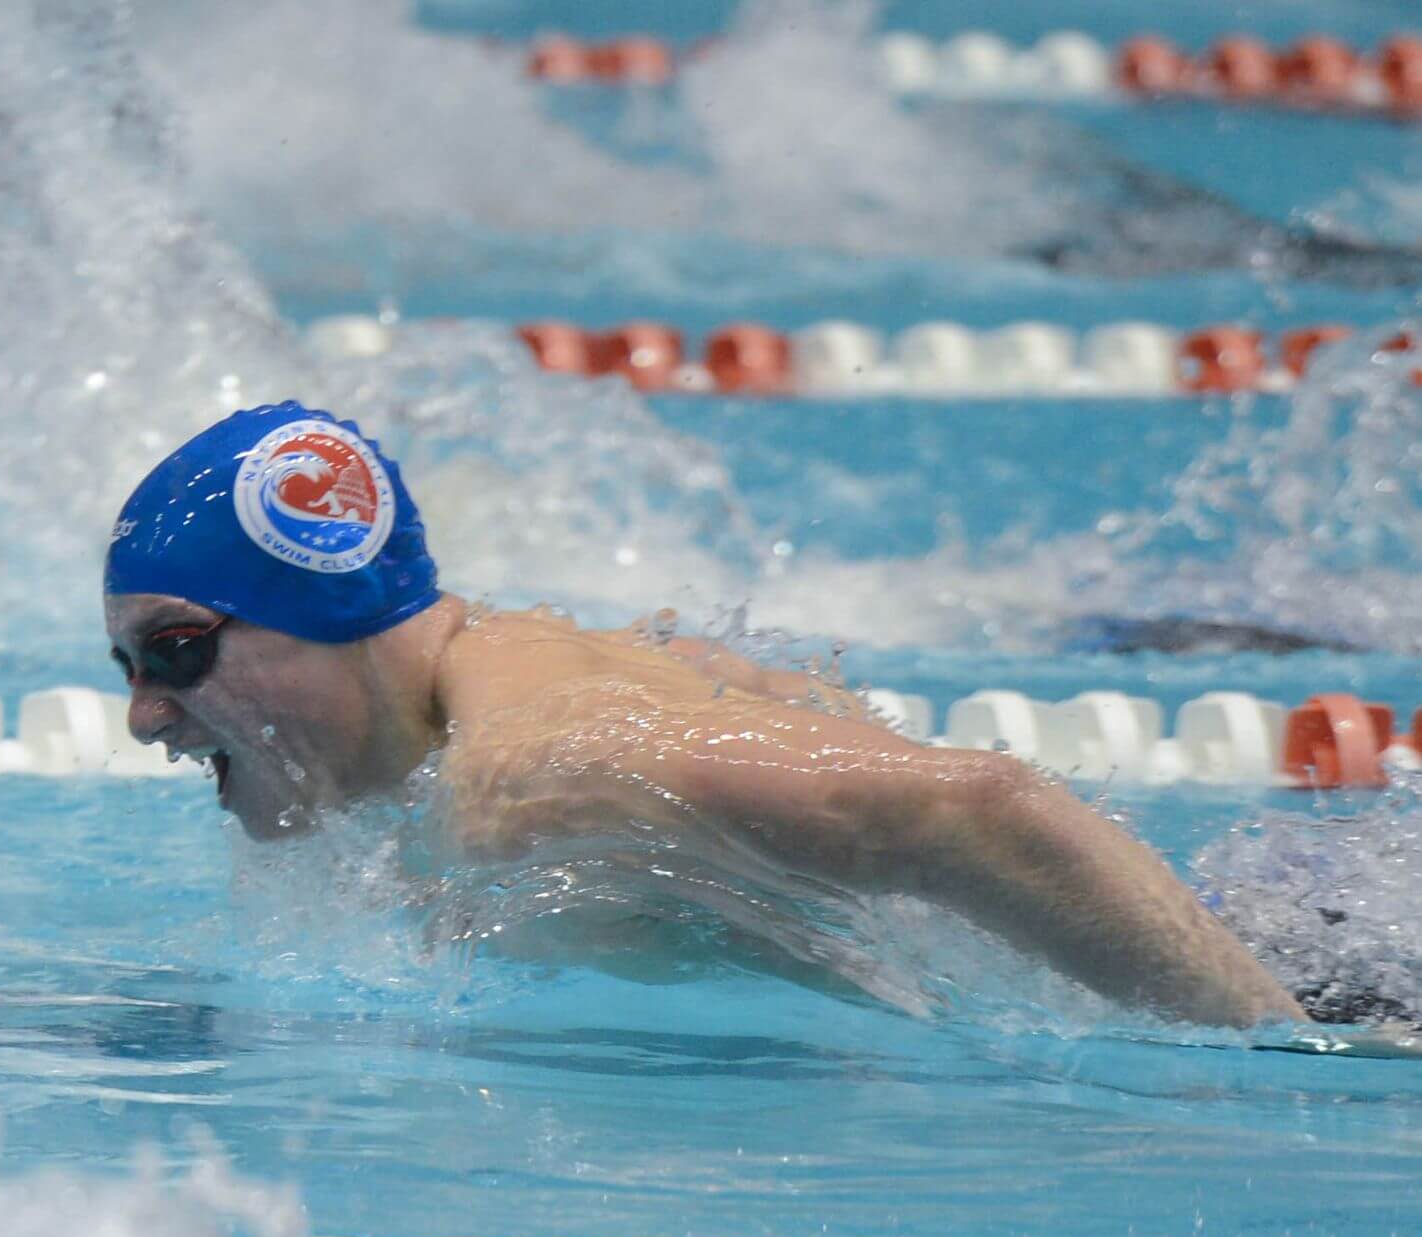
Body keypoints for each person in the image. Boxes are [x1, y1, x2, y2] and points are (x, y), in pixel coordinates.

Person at [104, 401, 1312, 1030]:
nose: (148, 718)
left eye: (177, 651)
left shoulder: (536, 774)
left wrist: (1284, 1058)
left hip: (1287, 982)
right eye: (131, 670)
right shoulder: (518, 671)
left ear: (325, 606)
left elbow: (969, 808)